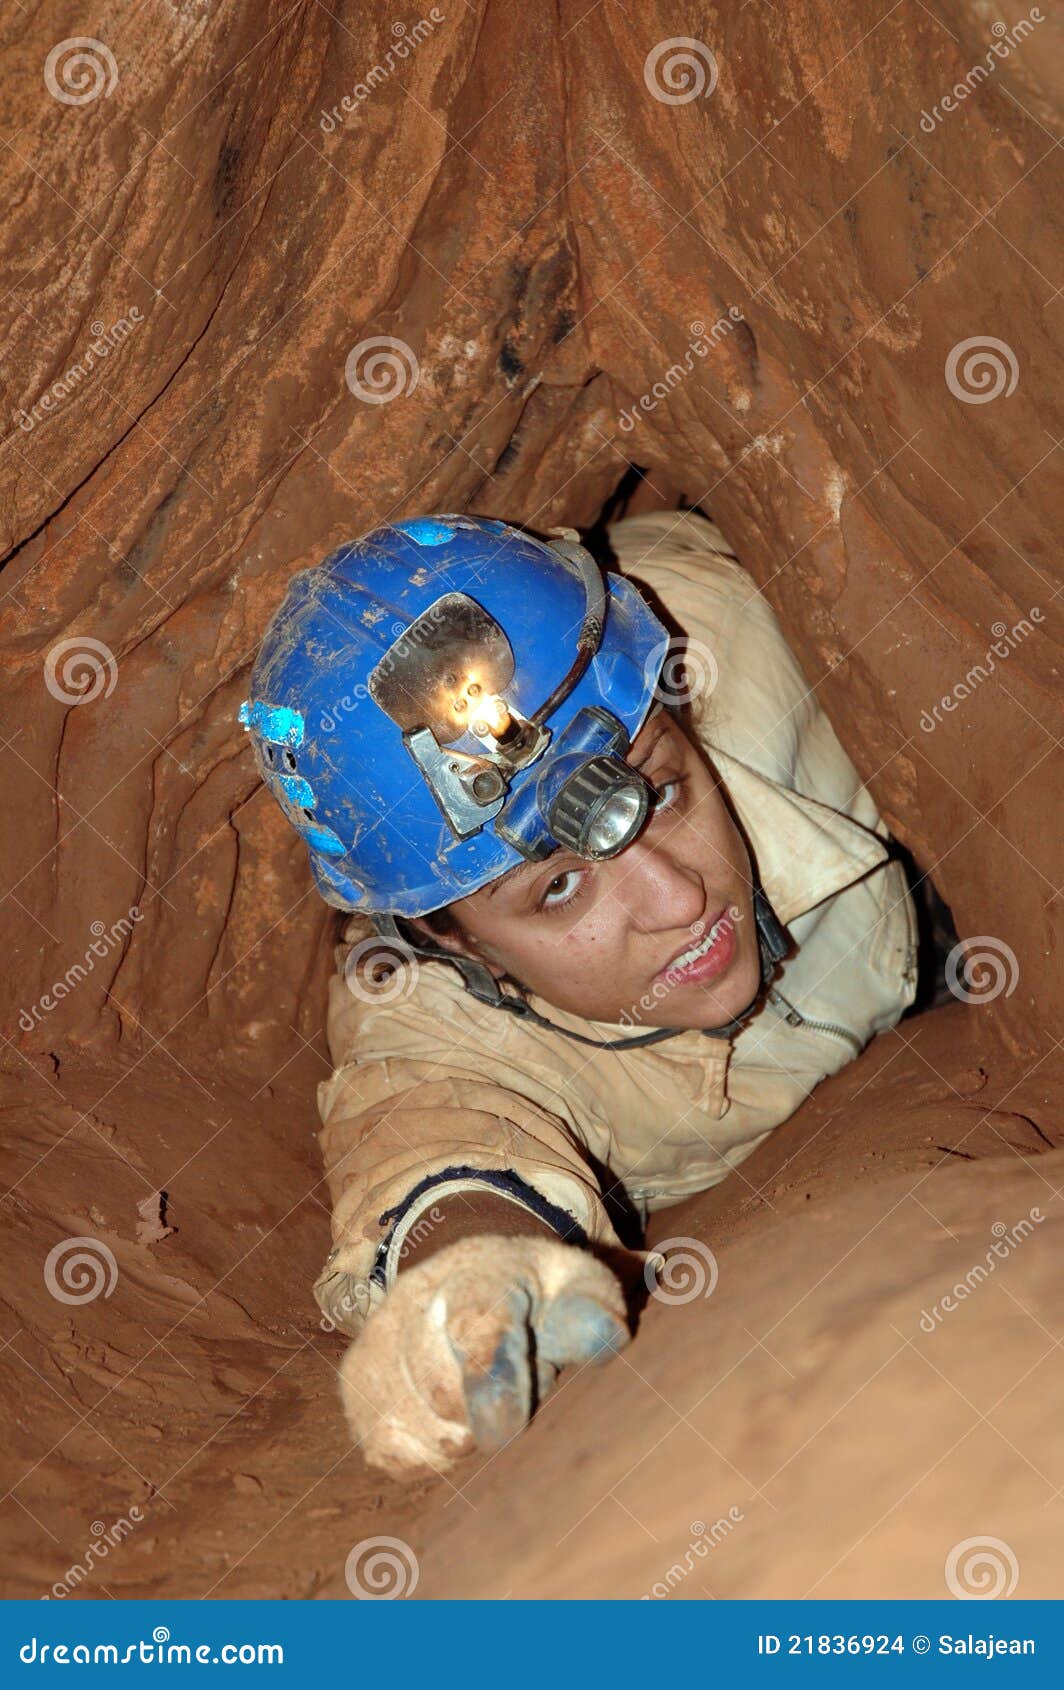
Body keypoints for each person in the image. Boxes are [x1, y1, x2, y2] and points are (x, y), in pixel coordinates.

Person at [239, 507, 918, 1478]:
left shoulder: (742, 630)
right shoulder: (424, 1006)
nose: (677, 897)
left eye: (662, 790)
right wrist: (465, 1280)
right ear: (447, 933)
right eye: (556, 887)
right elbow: (430, 1147)